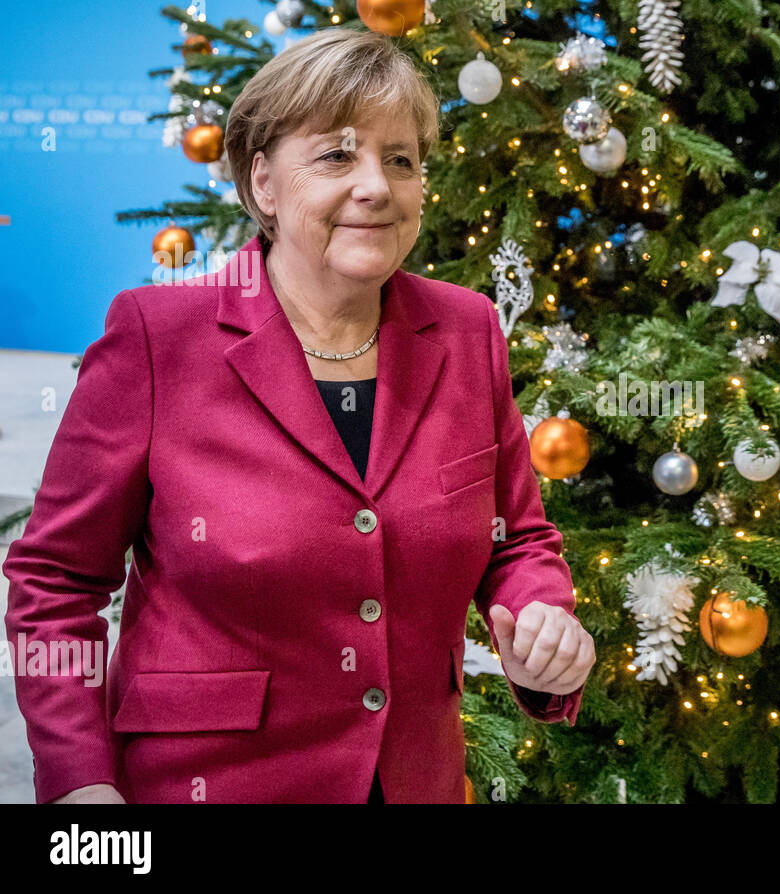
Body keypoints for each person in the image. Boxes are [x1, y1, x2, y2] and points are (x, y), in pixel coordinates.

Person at [2, 27, 594, 804]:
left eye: (402, 159)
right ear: (264, 184)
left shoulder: (466, 328)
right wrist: (80, 782)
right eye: (337, 155)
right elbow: (55, 584)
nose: (377, 185)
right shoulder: (157, 337)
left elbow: (514, 539)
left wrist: (540, 617)